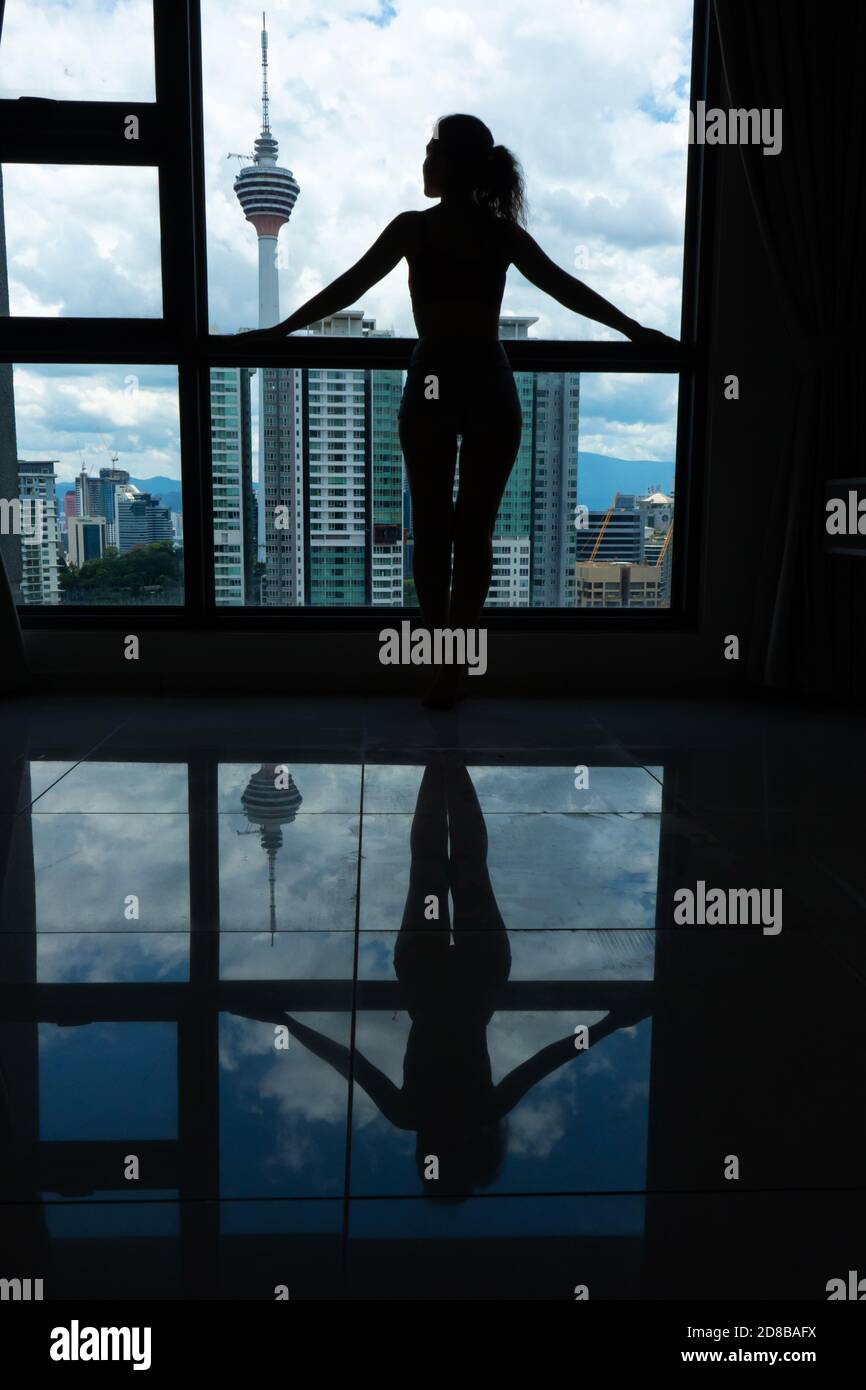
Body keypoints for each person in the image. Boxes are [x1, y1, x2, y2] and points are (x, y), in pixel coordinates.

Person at [241, 114, 675, 705]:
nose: (424, 164)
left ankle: (442, 660)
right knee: (474, 534)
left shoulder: (415, 229)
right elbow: (566, 288)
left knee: (434, 531)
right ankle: (454, 667)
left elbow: (348, 287)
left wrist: (282, 332)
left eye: (431, 153)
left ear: (453, 164)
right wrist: (634, 331)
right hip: (490, 384)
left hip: (433, 383)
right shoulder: (498, 234)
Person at [233, 757, 651, 1198]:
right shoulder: (409, 1114)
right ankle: (439, 765)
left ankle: (451, 763)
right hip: (425, 979)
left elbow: (550, 1059)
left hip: (477, 978)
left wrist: (609, 1023)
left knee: (470, 866)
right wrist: (287, 1022)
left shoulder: (483, 1111)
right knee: (429, 867)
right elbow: (351, 1064)